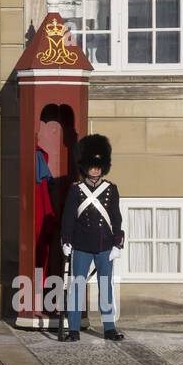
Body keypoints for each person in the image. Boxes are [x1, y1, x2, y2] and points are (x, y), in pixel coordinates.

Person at [59, 133, 126, 342]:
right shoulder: (76, 190)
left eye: (98, 166)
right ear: (85, 167)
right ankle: (74, 329)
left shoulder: (111, 190)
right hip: (81, 246)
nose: (95, 169)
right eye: (92, 165)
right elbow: (68, 218)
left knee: (106, 287)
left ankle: (109, 328)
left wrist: (117, 242)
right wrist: (66, 240)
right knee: (77, 286)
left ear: (103, 167)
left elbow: (116, 217)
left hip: (105, 245)